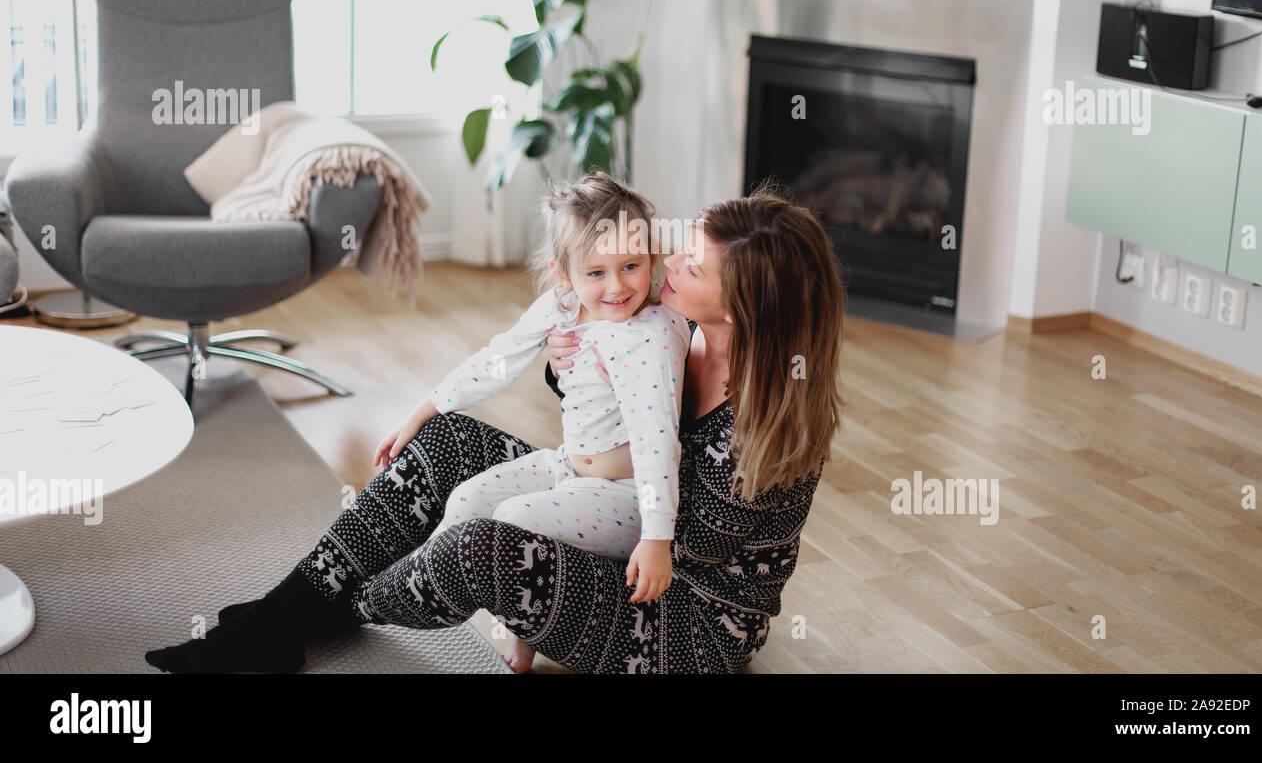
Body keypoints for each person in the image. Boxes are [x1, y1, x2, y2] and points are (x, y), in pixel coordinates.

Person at [144, 177, 844, 674]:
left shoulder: (765, 426)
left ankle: (301, 618)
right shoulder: (673, 317)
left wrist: (557, 503)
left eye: (690, 265)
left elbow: (671, 538)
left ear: (745, 307)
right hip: (608, 497)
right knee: (446, 441)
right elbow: (598, 396)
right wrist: (563, 362)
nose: (665, 263)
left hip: (681, 617)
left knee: (484, 545)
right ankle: (285, 612)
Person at [414, 173, 691, 670]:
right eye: (596, 272)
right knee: (466, 500)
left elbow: (657, 441)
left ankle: (522, 639)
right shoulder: (564, 307)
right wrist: (427, 407)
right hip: (566, 466)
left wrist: (656, 539)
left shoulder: (654, 333)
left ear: (652, 259)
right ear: (563, 273)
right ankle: (420, 600)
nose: (617, 286)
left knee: (514, 520)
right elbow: (498, 359)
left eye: (631, 266)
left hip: (626, 495)